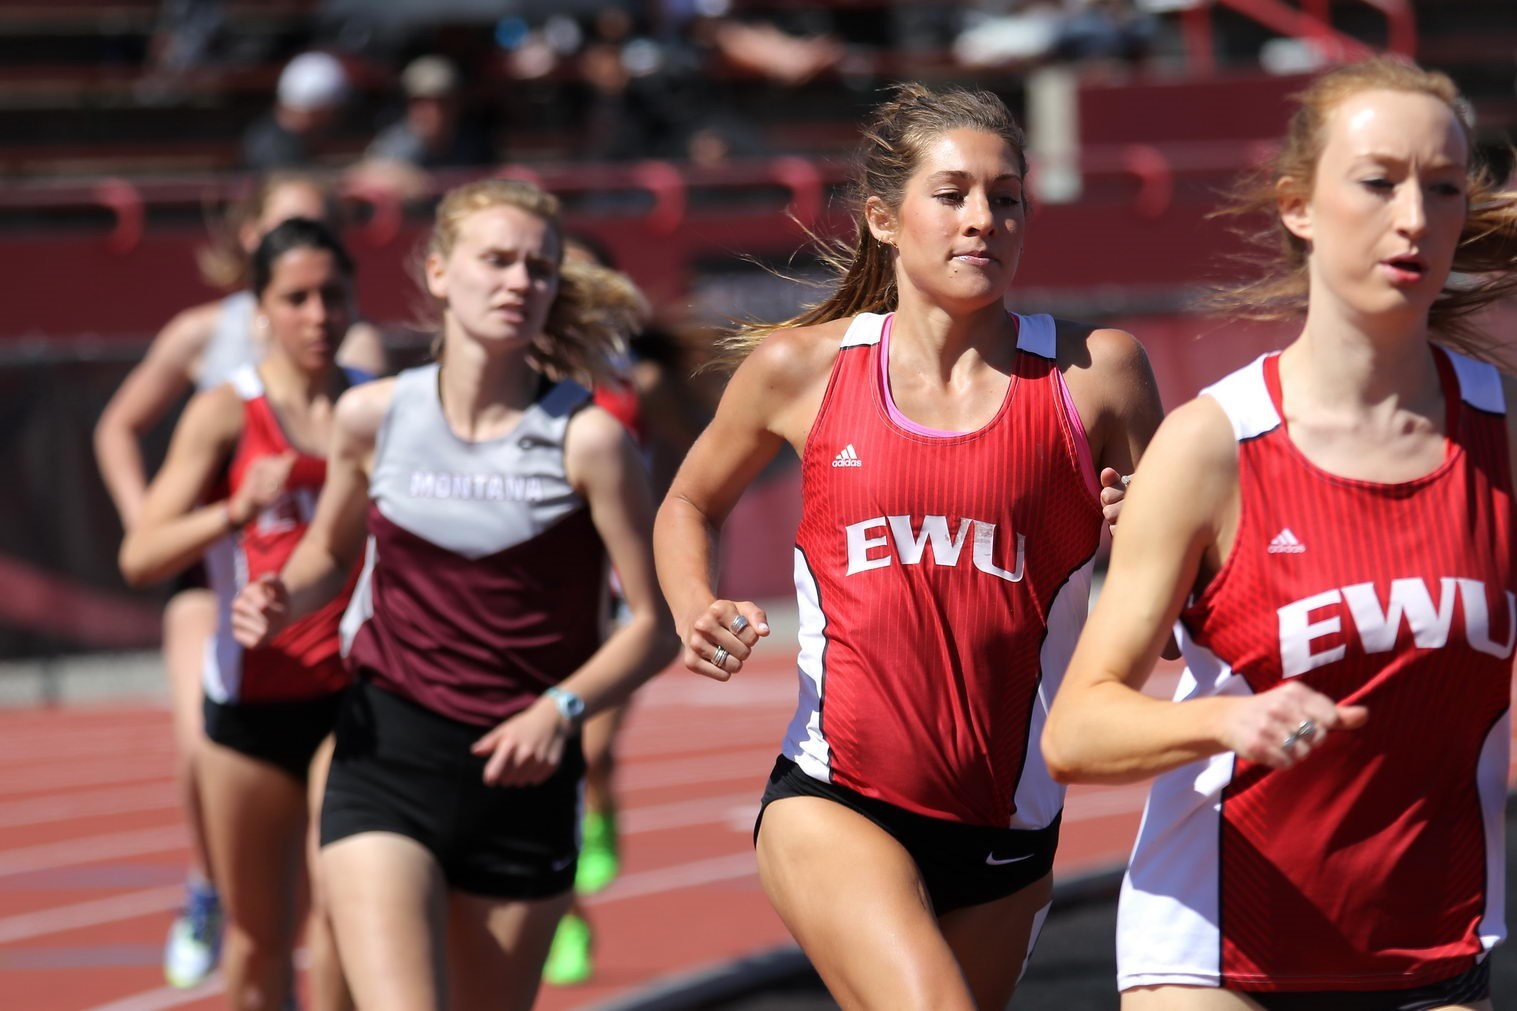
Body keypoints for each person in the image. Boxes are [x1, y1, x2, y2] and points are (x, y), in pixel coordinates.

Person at [653, 81, 1165, 1010]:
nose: (982, 220)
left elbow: (1179, 615)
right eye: (953, 194)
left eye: (1005, 198)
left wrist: (1149, 552)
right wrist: (696, 606)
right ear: (885, 219)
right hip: (834, 796)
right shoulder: (799, 368)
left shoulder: (1099, 375)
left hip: (1010, 830)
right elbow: (687, 500)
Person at [1041, 57, 1517, 1009]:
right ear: (1298, 205)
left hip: (1431, 945)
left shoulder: (1499, 434)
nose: (1413, 217)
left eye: (1441, 187)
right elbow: (1078, 727)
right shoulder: (1210, 445)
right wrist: (1227, 716)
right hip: (1220, 951)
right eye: (1378, 182)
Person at [229, 178, 677, 1011]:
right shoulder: (373, 417)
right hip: (386, 757)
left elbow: (655, 627)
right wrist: (279, 595)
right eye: (497, 260)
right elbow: (328, 548)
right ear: (438, 273)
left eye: (539, 269)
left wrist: (561, 709)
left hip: (524, 779)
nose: (519, 282)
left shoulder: (589, 441)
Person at [92, 171, 385, 991]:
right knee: (258, 944)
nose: (319, 317)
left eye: (333, 296)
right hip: (253, 700)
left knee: (338, 908)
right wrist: (230, 511)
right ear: (263, 309)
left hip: (355, 694)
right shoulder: (227, 409)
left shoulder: (380, 407)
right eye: (297, 300)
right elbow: (141, 556)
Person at [242, 51, 351, 171]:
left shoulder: (301, 138)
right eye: (332, 110)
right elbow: (289, 182)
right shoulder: (271, 146)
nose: (336, 116)